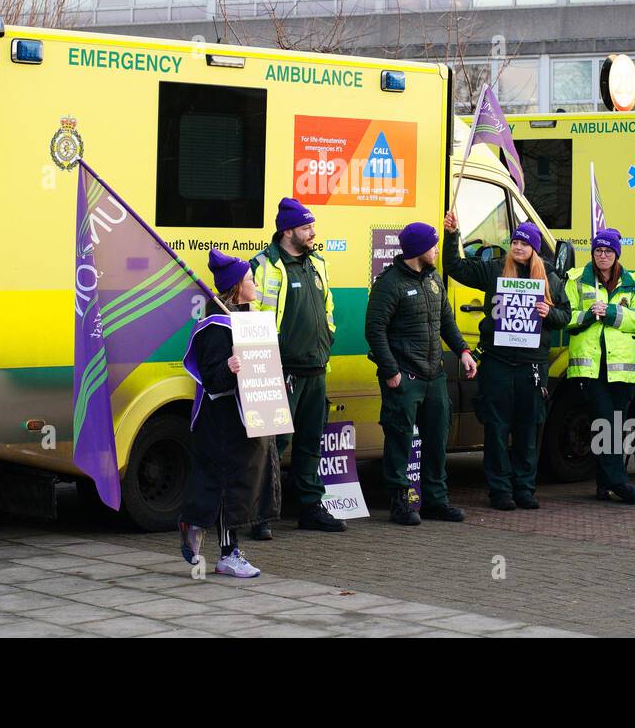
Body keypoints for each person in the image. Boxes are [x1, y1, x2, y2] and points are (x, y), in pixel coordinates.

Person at [442, 212, 568, 510]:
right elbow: (456, 267)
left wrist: (548, 314)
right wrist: (452, 236)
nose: (518, 247)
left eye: (524, 244)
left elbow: (565, 315)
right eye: (514, 243)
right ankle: (499, 490)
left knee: (527, 430)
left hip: (531, 366)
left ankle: (524, 488)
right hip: (497, 362)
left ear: (534, 249)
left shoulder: (549, 277)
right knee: (496, 429)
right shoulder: (496, 270)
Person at [366, 221, 477, 526]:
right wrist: (391, 372)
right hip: (404, 376)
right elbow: (375, 330)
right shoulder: (389, 283)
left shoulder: (433, 280)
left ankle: (436, 501)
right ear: (419, 249)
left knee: (437, 441)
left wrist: (464, 351)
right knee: (400, 441)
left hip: (435, 376)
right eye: (433, 245)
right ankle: (400, 503)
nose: (437, 250)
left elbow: (447, 322)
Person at [249, 196, 345, 535]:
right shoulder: (262, 266)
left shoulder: (317, 263)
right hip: (281, 372)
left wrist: (328, 338)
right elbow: (250, 316)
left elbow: (327, 307)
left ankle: (310, 507)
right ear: (288, 230)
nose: (313, 232)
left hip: (316, 369)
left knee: (310, 441)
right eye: (306, 227)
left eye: (312, 226)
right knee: (274, 444)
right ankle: (260, 514)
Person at [178, 250, 274, 578]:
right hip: (220, 422)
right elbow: (211, 378)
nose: (255, 285)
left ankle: (224, 548)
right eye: (250, 279)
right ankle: (227, 551)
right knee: (223, 486)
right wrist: (229, 368)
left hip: (244, 419)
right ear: (236, 287)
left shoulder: (246, 319)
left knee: (237, 485)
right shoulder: (214, 325)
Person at [565, 228, 635, 504]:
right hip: (591, 368)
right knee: (604, 424)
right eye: (598, 251)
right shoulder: (576, 279)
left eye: (608, 251)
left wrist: (611, 311)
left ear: (616, 254)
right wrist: (588, 315)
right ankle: (619, 482)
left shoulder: (632, 281)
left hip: (622, 367)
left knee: (615, 424)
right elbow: (566, 317)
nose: (603, 255)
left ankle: (604, 484)